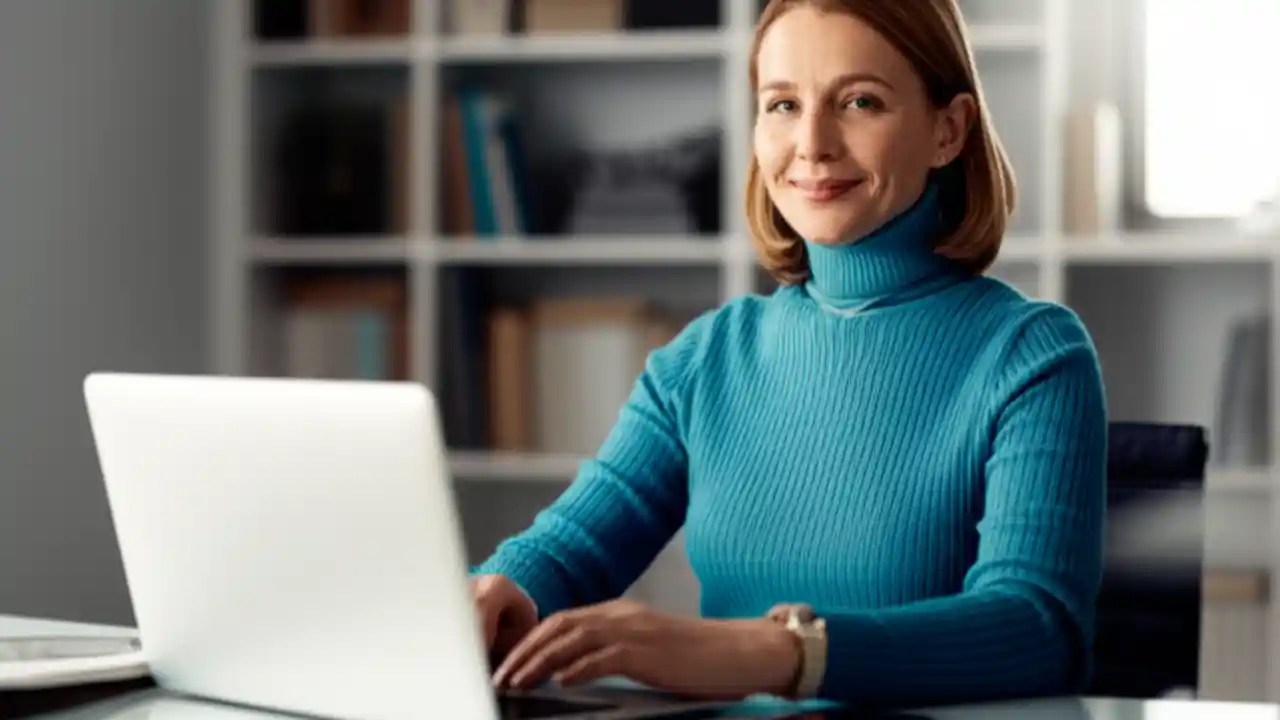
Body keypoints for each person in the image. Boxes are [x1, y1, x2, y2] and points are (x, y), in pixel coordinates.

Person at [471, 0, 1107, 707]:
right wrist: (501, 592)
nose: (812, 143)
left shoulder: (1032, 355)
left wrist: (780, 651)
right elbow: (569, 550)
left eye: (860, 101)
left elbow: (1038, 626)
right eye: (781, 105)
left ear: (947, 131)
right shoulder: (705, 359)